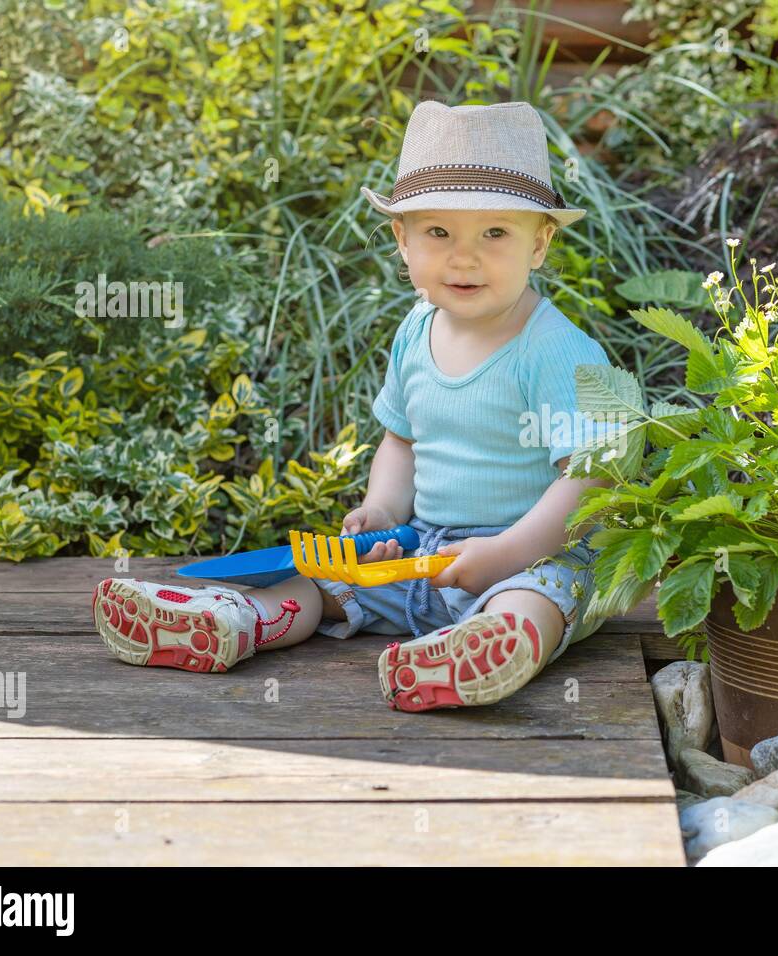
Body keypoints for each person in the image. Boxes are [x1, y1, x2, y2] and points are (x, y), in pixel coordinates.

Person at [92, 100, 615, 712]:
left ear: (540, 244)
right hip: (422, 551)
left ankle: (492, 646)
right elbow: (401, 440)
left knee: (541, 595)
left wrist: (503, 554)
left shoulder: (555, 350)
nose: (463, 255)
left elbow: (590, 475)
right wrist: (381, 510)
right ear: (402, 240)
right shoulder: (416, 331)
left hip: (535, 550)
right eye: (438, 232)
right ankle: (235, 622)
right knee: (322, 579)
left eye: (495, 232)